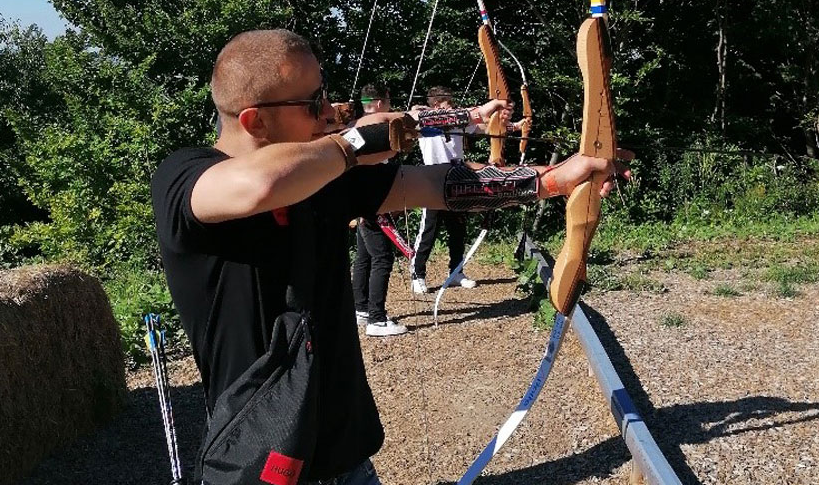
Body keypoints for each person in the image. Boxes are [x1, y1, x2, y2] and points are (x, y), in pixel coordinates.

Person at [151, 29, 629, 484]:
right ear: (254, 120)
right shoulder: (185, 177)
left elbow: (435, 184)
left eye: (327, 96)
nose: (329, 111)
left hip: (346, 453)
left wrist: (550, 180)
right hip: (260, 454)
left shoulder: (321, 172)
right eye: (313, 102)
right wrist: (354, 141)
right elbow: (258, 185)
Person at [410, 86, 529, 293]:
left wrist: (516, 126)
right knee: (429, 230)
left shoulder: (460, 121)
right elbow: (414, 113)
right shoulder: (425, 123)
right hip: (432, 182)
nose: (453, 108)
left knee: (458, 230)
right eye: (448, 104)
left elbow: (487, 128)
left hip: (456, 179)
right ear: (437, 105)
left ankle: (456, 272)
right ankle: (417, 275)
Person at [351, 84, 407, 336]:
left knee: (364, 257)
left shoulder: (356, 125)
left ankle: (361, 308)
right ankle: (377, 319)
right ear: (381, 102)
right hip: (373, 205)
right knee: (382, 258)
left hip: (365, 202)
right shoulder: (373, 127)